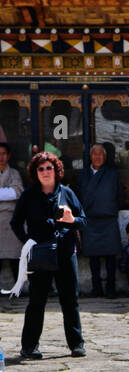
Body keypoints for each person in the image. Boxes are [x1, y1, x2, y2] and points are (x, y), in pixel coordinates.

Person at [11, 150, 86, 359]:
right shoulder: (28, 196)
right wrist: (28, 242)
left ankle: (77, 344)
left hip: (64, 253)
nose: (45, 172)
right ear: (36, 173)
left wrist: (72, 221)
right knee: (37, 301)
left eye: (49, 168)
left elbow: (83, 220)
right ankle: (29, 347)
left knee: (70, 300)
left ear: (56, 170)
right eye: (41, 168)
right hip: (40, 255)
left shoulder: (67, 193)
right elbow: (15, 222)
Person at [78, 144, 122, 298]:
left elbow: (118, 195)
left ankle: (111, 288)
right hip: (90, 219)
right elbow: (79, 195)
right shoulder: (83, 174)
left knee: (111, 257)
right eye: (94, 154)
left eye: (100, 154)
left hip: (108, 218)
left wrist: (111, 209)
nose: (97, 157)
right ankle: (96, 288)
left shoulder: (112, 174)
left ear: (105, 157)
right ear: (90, 157)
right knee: (93, 257)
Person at [0, 142, 23, 287]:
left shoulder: (14, 173)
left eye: (3, 154)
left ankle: (18, 287)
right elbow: (11, 193)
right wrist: (8, 194)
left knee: (16, 257)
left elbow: (17, 192)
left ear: (8, 156)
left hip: (10, 218)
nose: (0, 157)